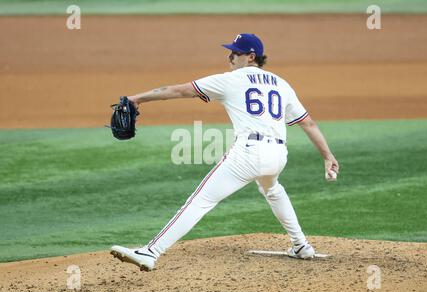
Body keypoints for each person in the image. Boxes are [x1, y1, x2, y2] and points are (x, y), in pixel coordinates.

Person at [111, 33, 339, 271]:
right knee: (272, 188)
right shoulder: (281, 83)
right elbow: (308, 123)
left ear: (251, 57)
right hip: (278, 155)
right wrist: (327, 156)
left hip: (249, 154)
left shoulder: (232, 79)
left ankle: (150, 252)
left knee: (199, 201)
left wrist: (137, 98)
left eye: (235, 52)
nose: (230, 56)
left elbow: (179, 91)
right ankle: (301, 245)